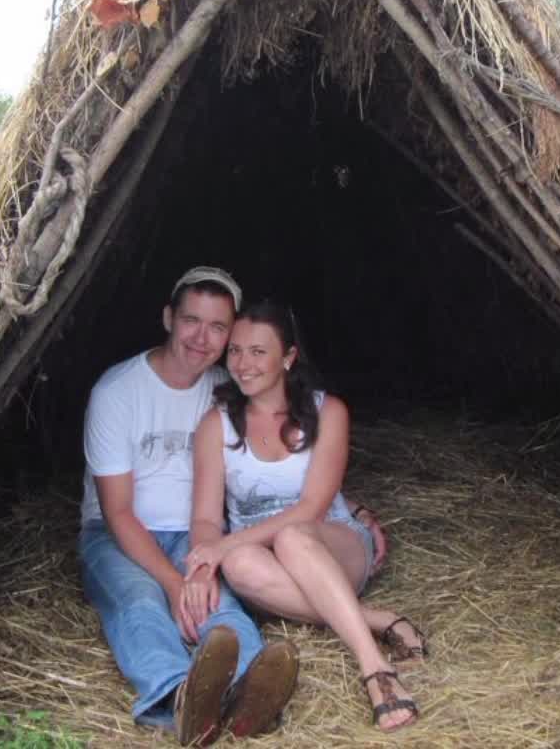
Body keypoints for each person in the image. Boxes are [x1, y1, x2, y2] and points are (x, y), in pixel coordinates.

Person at [79, 268, 387, 744]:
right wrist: (176, 578)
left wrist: (357, 511)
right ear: (168, 318)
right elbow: (118, 512)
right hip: (119, 532)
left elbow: (290, 468)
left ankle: (247, 693)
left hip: (198, 535)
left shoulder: (230, 385)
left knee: (221, 611)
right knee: (142, 604)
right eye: (191, 321)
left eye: (218, 328)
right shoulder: (117, 392)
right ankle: (177, 696)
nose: (202, 339)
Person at [184, 300, 425, 733]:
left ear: (289, 357)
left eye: (258, 351)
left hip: (333, 542)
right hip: (259, 558)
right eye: (235, 351)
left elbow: (312, 508)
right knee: (237, 564)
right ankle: (377, 619)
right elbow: (204, 517)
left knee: (294, 536)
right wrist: (205, 559)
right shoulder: (214, 425)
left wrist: (224, 543)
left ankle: (374, 668)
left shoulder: (329, 412)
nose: (242, 363)